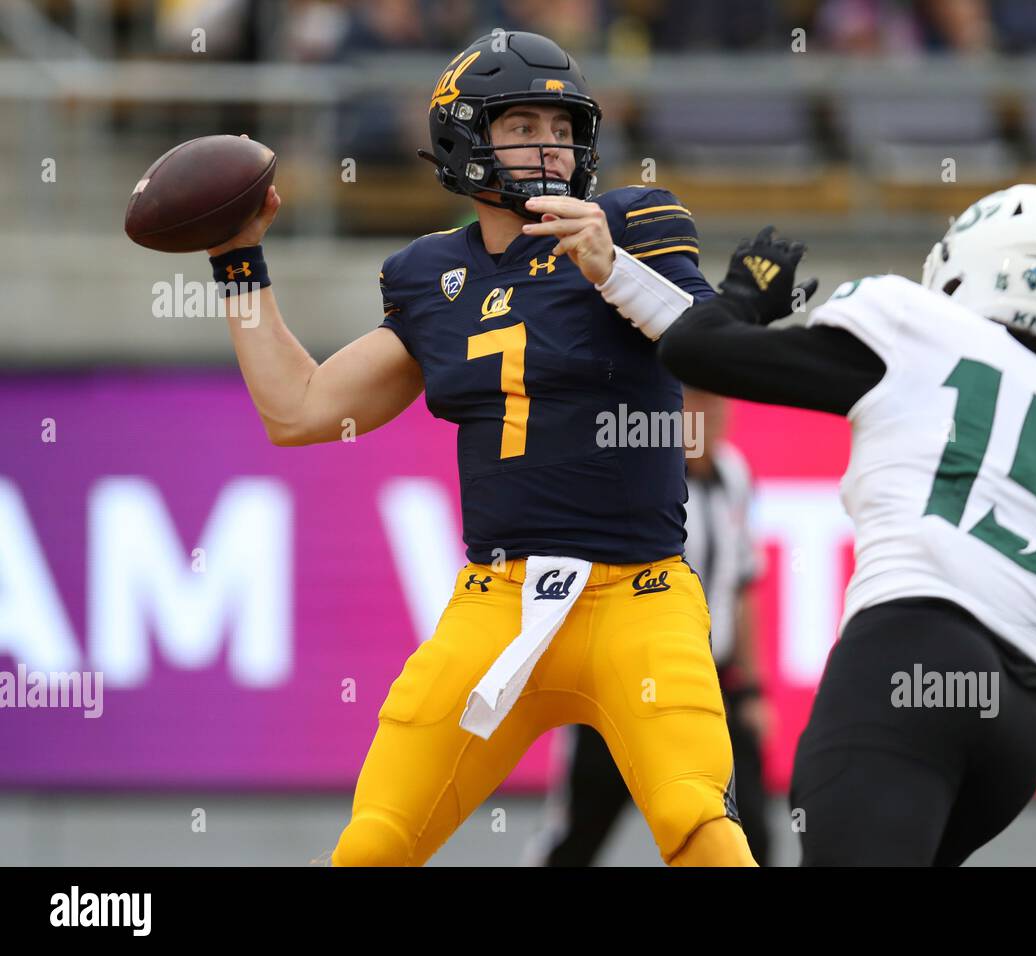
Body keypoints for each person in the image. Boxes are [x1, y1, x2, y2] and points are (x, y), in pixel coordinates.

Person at [205, 30, 755, 866]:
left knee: (697, 823)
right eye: (524, 124)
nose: (551, 145)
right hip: (497, 599)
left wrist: (615, 273)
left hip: (640, 594)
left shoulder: (632, 222)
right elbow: (302, 409)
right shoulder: (430, 276)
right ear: (467, 138)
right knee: (374, 843)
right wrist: (237, 260)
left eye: (562, 127)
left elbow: (714, 349)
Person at [656, 184, 1036, 865]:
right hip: (1017, 728)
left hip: (909, 660)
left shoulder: (919, 328)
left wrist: (749, 292)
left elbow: (696, 351)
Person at [526, 387, 773, 866]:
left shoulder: (735, 476)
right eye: (697, 403)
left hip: (706, 683)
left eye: (718, 403)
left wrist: (753, 690)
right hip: (625, 679)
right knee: (579, 831)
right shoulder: (637, 477)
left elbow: (742, 585)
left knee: (751, 832)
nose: (711, 415)